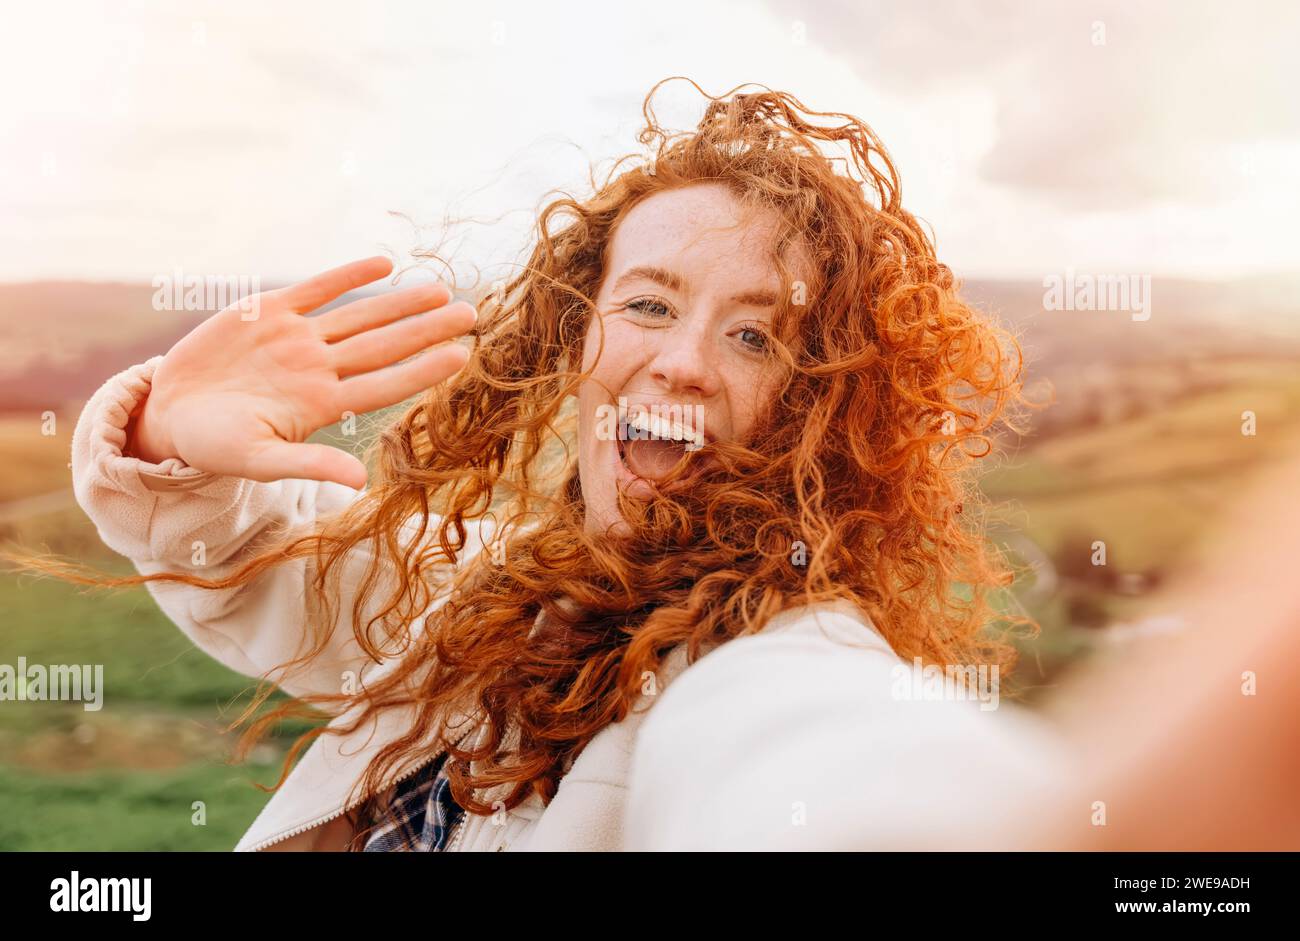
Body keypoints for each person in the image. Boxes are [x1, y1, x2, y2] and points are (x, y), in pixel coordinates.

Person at [58, 78, 1289, 853]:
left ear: (827, 410)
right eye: (647, 304)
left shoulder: (773, 672)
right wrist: (168, 436)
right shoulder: (494, 599)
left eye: (757, 333)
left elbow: (846, 777)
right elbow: (250, 562)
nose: (684, 361)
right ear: (578, 335)